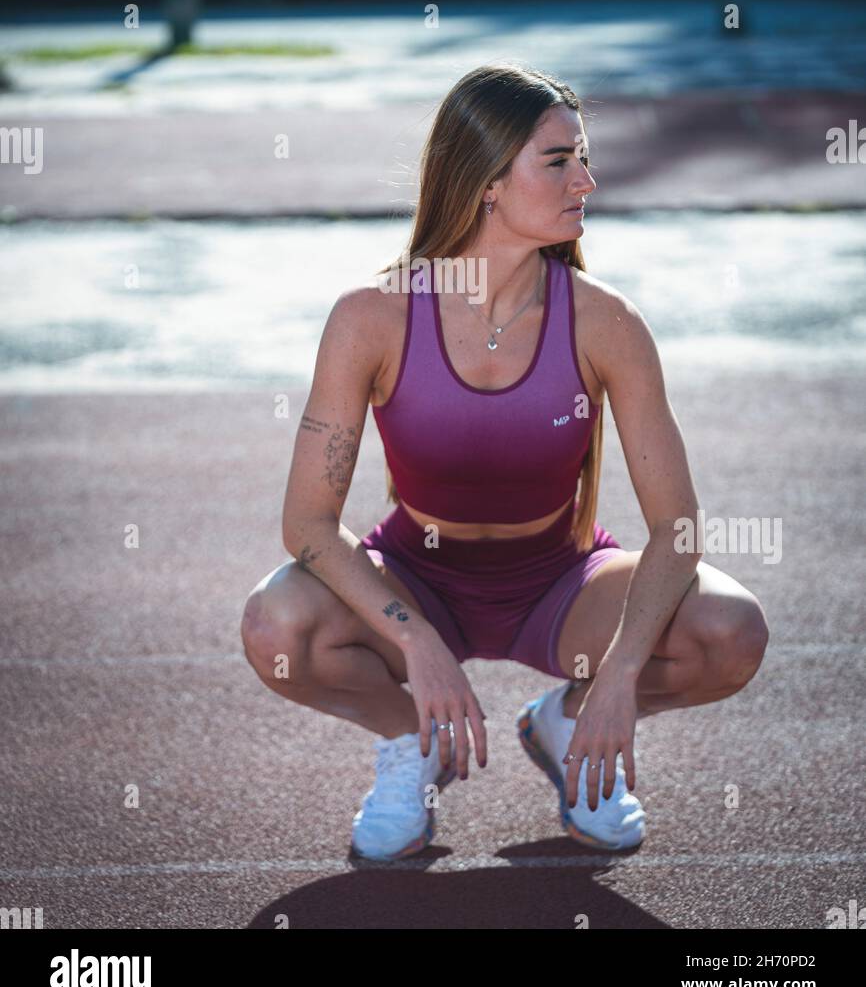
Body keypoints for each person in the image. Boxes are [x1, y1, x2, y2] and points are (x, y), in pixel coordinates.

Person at [241, 63, 769, 861]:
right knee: (274, 624)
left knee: (730, 633)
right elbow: (307, 524)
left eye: (582, 158)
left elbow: (676, 527)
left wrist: (618, 676)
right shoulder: (371, 317)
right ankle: (408, 742)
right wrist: (417, 645)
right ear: (486, 182)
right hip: (414, 577)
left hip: (562, 587)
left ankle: (563, 722)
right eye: (558, 161)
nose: (586, 180)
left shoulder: (607, 323)